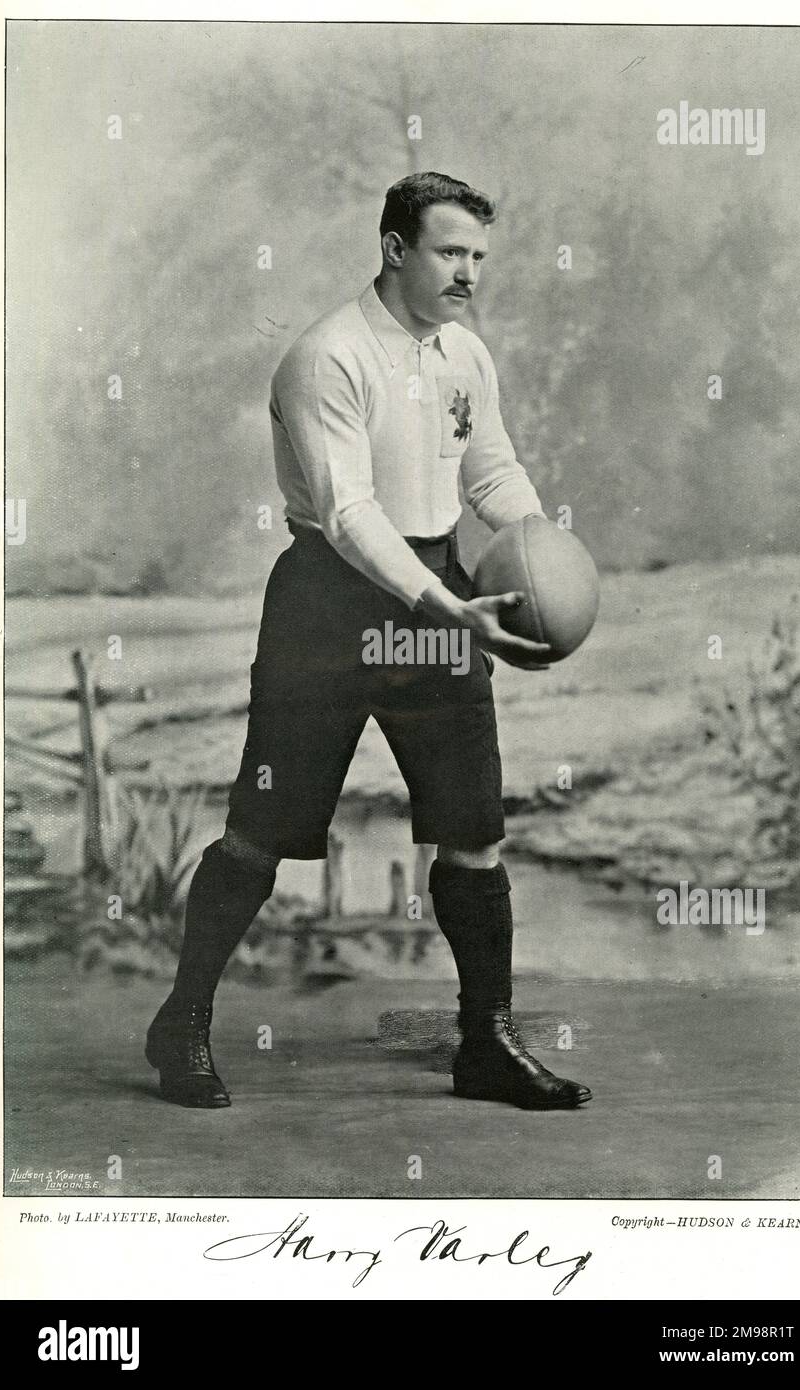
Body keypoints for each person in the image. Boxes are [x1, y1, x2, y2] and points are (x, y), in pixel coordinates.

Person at [146, 172, 592, 1113]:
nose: (468, 273)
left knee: (474, 834)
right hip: (329, 607)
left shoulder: (465, 354)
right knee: (259, 837)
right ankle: (182, 1020)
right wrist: (441, 601)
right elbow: (347, 515)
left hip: (438, 600)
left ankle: (485, 1043)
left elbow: (492, 469)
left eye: (478, 255)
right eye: (449, 252)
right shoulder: (326, 358)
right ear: (395, 248)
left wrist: (543, 542)